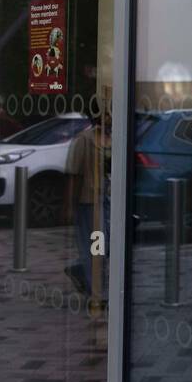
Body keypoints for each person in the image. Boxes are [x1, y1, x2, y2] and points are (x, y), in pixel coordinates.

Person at [64, 107, 111, 302]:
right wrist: (69, 205)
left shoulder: (115, 138)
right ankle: (98, 295)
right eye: (108, 113)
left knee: (106, 248)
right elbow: (74, 175)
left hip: (108, 201)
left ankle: (78, 269)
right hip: (89, 202)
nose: (111, 117)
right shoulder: (84, 140)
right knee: (96, 250)